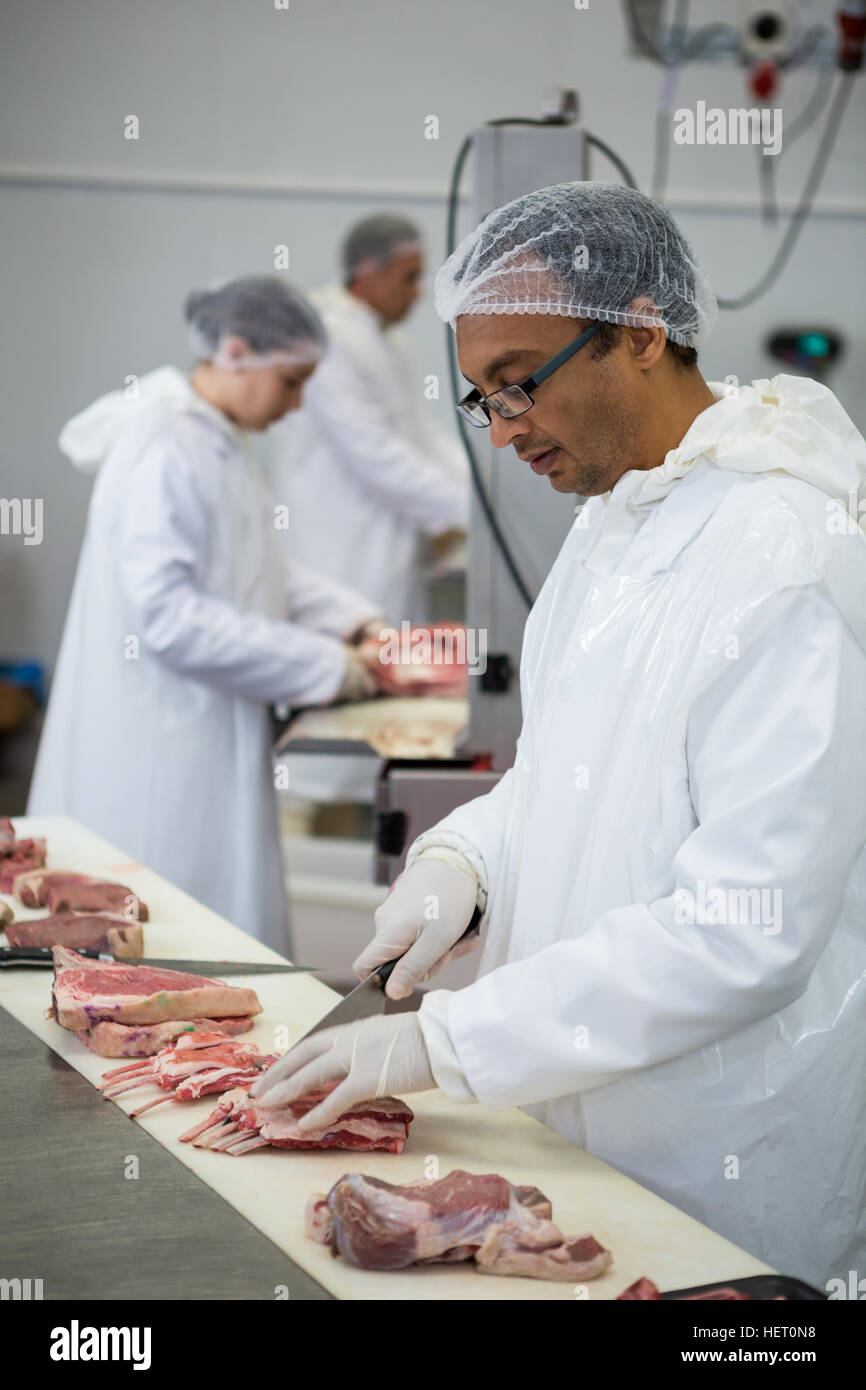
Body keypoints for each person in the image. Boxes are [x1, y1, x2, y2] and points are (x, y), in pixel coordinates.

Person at [252, 183, 866, 1288]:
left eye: (516, 383)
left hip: (720, 1136)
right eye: (478, 398)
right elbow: (566, 778)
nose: (501, 431)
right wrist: (464, 862)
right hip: (572, 1110)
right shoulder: (610, 527)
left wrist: (442, 1043)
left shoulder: (782, 552)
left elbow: (746, 926)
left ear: (637, 332)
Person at [28, 277, 385, 952]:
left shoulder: (217, 440)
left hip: (203, 734)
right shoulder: (162, 445)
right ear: (238, 352)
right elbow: (165, 616)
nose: (299, 402)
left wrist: (355, 622)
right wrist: (325, 664)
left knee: (201, 951)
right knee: (155, 956)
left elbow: (255, 569)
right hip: (157, 749)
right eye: (290, 382)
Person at [268, 212, 469, 623]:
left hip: (388, 550)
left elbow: (421, 436)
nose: (417, 294)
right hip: (338, 555)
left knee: (392, 667)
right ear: (366, 272)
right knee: (354, 662)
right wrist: (466, 510)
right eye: (408, 278)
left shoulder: (387, 340)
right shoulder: (330, 338)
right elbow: (375, 452)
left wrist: (484, 495)